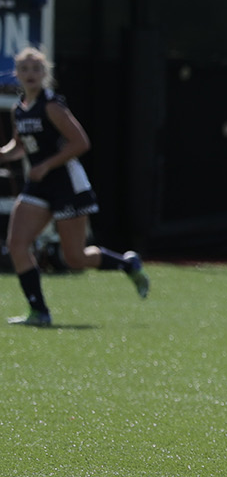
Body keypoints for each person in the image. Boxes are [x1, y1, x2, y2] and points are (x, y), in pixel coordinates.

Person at [5, 46, 149, 326]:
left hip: (67, 185)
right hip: (38, 186)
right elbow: (19, 146)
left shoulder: (52, 106)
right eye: (24, 69)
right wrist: (4, 153)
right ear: (17, 74)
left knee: (74, 258)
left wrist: (46, 165)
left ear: (45, 73)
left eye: (36, 68)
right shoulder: (18, 109)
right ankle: (39, 312)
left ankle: (127, 264)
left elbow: (80, 142)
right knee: (17, 245)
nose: (30, 74)